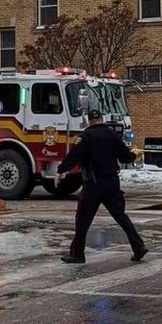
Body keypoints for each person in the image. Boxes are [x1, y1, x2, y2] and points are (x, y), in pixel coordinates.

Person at [55, 109, 146, 264]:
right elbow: (125, 156)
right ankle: (138, 247)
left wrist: (60, 170)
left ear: (89, 120)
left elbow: (74, 156)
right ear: (102, 119)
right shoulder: (112, 135)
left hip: (93, 185)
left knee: (82, 220)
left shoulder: (86, 136)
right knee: (121, 216)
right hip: (111, 183)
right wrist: (134, 154)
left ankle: (77, 254)